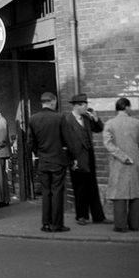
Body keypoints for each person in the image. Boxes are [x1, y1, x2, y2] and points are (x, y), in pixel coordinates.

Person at [102, 97, 139, 233]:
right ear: (127, 107)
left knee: (119, 194)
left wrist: (122, 156)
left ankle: (120, 225)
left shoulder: (109, 124)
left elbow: (108, 144)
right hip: (136, 162)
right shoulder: (137, 123)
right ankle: (134, 225)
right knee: (136, 193)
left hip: (118, 162)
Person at [61, 93, 107, 225]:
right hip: (76, 158)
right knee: (80, 187)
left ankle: (98, 216)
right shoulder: (67, 120)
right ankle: (81, 216)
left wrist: (96, 118)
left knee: (92, 186)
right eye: (84, 105)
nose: (86, 108)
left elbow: (99, 129)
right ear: (77, 106)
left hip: (89, 156)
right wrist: (71, 160)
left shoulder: (87, 118)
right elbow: (64, 142)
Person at [27, 92, 70, 232]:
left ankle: (46, 223)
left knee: (46, 192)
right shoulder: (60, 117)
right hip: (58, 160)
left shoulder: (33, 119)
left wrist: (38, 153)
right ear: (53, 102)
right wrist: (70, 157)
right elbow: (68, 140)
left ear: (42, 103)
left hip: (43, 161)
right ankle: (57, 224)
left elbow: (30, 142)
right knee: (57, 191)